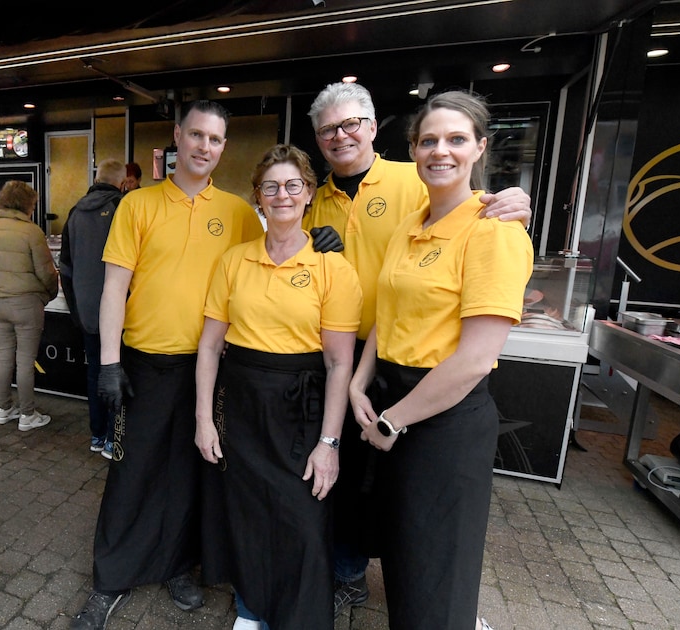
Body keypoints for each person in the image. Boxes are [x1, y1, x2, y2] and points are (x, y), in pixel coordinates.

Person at [302, 81, 533, 617]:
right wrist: (359, 384)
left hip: (439, 409)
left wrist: (391, 421)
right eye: (429, 141)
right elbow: (389, 309)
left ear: (480, 146)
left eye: (456, 139)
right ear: (414, 147)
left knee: (436, 563)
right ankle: (354, 580)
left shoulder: (489, 228)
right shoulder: (408, 221)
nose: (439, 152)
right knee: (403, 544)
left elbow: (475, 359)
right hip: (376, 379)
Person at [69, 100, 266, 630]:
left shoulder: (239, 213)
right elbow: (114, 288)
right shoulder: (137, 205)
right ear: (177, 136)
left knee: (190, 473)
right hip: (143, 366)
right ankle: (111, 579)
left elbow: (272, 263)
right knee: (130, 472)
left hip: (208, 370)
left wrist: (321, 244)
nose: (205, 147)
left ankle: (178, 564)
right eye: (197, 135)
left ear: (223, 147)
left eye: (215, 139)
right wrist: (109, 364)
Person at [194, 144, 361, 629]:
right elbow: (210, 347)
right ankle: (250, 609)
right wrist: (204, 419)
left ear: (308, 194)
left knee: (301, 520)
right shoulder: (233, 261)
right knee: (246, 512)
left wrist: (330, 443)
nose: (282, 195)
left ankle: (297, 617)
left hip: (302, 408)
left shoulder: (333, 268)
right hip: (241, 403)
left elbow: (339, 363)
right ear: (258, 197)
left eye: (293, 185)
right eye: (271, 187)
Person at [58, 158, 127, 458]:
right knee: (116, 371)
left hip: (86, 312)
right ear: (122, 183)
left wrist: (76, 310)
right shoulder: (122, 208)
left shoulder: (75, 212)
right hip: (119, 312)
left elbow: (65, 268)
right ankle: (113, 438)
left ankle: (97, 435)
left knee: (95, 371)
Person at [0, 180, 60, 432]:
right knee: (25, 361)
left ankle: (4, 409)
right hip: (26, 303)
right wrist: (49, 294)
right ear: (27, 204)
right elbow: (46, 272)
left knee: (4, 357)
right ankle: (27, 415)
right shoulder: (31, 232)